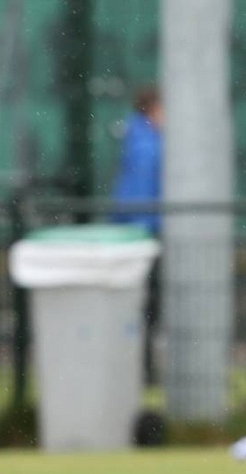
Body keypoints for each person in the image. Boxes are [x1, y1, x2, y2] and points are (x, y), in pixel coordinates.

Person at [111, 85, 163, 386]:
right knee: (143, 308)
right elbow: (141, 194)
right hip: (142, 236)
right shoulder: (149, 144)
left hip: (131, 232)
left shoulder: (137, 138)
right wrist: (146, 234)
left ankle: (136, 369)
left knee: (137, 308)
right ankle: (141, 372)